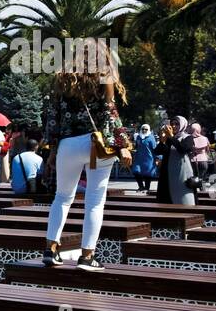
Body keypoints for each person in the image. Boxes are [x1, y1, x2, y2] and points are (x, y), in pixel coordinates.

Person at [42, 49, 131, 270]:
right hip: (95, 144)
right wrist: (123, 145)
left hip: (67, 145)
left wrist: (53, 150)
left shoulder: (62, 79)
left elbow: (53, 118)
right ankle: (87, 256)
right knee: (94, 201)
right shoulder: (104, 76)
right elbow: (110, 113)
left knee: (61, 198)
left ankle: (51, 250)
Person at [156, 117, 198, 206]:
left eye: (177, 124)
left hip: (183, 175)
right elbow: (158, 151)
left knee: (185, 199)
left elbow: (183, 149)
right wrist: (162, 141)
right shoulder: (168, 138)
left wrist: (171, 137)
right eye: (172, 124)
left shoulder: (188, 137)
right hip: (168, 173)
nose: (174, 126)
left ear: (183, 125)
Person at [131, 124, 158, 193]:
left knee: (147, 174)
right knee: (136, 171)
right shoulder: (138, 137)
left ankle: (146, 188)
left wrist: (158, 158)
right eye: (143, 129)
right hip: (139, 158)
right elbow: (136, 146)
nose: (144, 130)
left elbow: (155, 148)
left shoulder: (151, 138)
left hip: (149, 159)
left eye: (146, 129)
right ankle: (141, 186)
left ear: (148, 130)